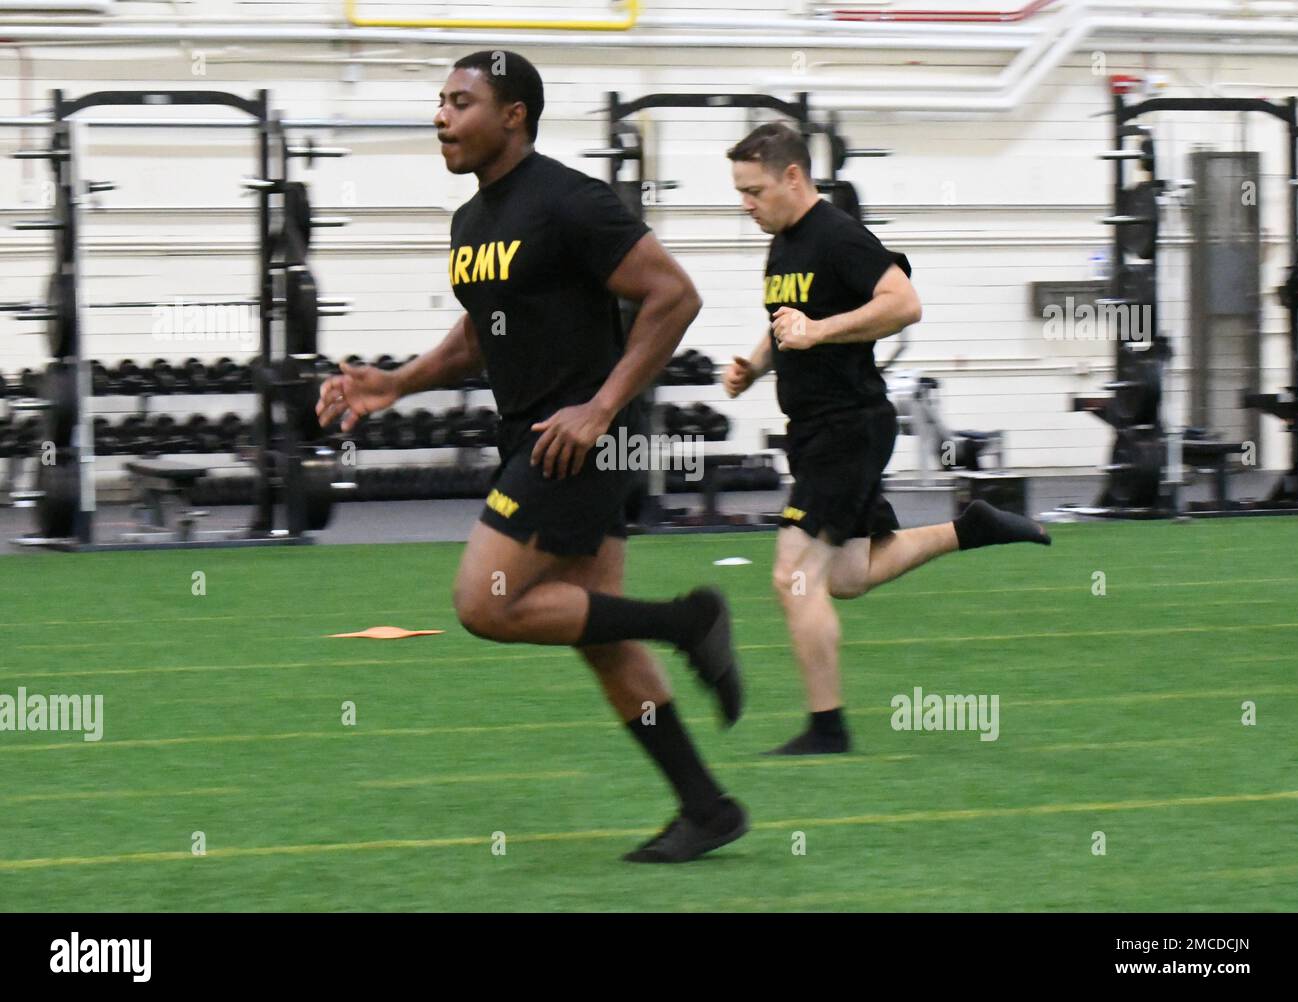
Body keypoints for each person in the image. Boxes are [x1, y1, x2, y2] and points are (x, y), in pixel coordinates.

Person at [317, 51, 747, 862]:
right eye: (439, 102)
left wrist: (601, 407)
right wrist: (394, 384)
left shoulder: (571, 201)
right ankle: (707, 807)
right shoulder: (472, 222)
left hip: (587, 438)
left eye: (460, 103)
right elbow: (480, 334)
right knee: (597, 636)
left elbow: (674, 295)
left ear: (513, 115)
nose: (440, 117)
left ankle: (689, 621)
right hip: (534, 437)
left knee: (485, 602)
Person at [723, 123, 1050, 756]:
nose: (746, 204)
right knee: (843, 575)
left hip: (848, 428)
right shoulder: (782, 245)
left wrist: (820, 332)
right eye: (740, 192)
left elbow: (903, 303)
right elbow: (784, 321)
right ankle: (970, 528)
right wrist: (756, 363)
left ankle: (828, 728)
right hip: (816, 431)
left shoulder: (838, 234)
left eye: (754, 191)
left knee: (794, 576)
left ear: (794, 176)